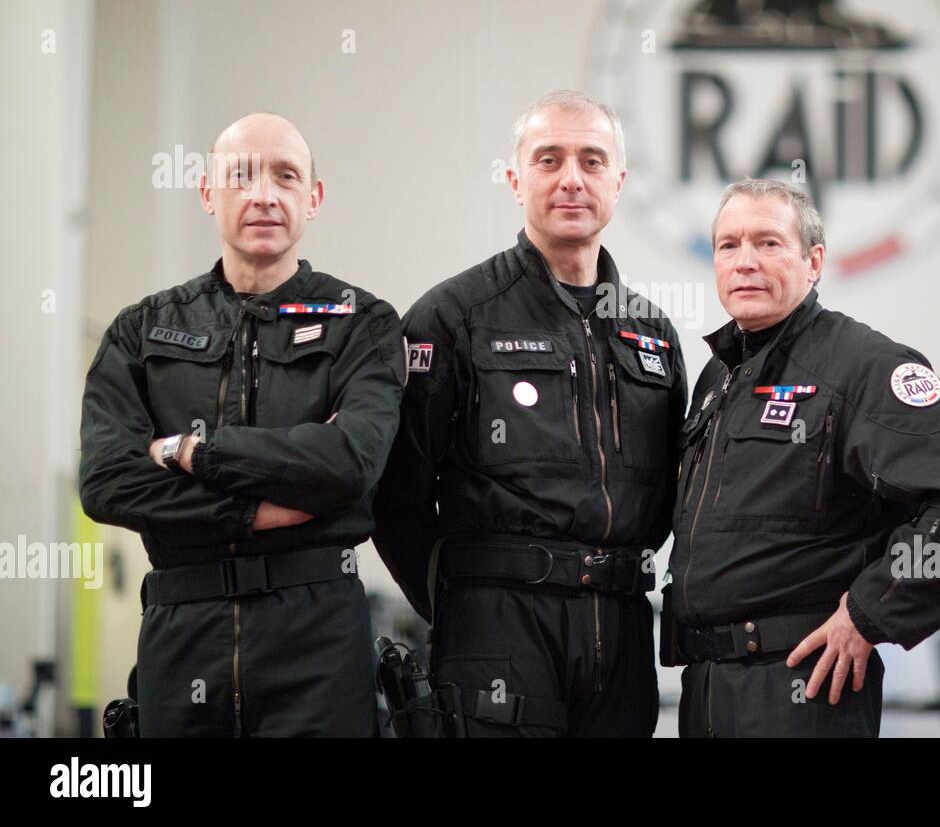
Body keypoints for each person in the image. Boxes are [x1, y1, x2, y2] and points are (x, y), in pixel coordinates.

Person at [372, 90, 687, 737]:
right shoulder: (454, 316)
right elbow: (393, 492)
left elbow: (674, 493)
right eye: (549, 159)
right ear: (516, 180)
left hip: (621, 625)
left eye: (592, 161)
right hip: (499, 626)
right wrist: (460, 606)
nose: (572, 178)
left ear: (618, 182)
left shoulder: (651, 334)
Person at [79, 112, 405, 736]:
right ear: (207, 193)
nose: (264, 195)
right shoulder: (140, 331)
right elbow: (107, 483)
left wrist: (187, 453)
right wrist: (252, 511)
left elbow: (348, 465)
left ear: (313, 198)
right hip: (182, 634)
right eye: (241, 176)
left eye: (286, 176)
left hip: (317, 639)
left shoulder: (361, 323)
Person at [663, 178, 940, 737]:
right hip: (707, 687)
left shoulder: (864, 367)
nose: (745, 262)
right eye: (728, 245)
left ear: (814, 262)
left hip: (802, 688)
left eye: (768, 243)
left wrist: (871, 611)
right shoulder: (719, 376)